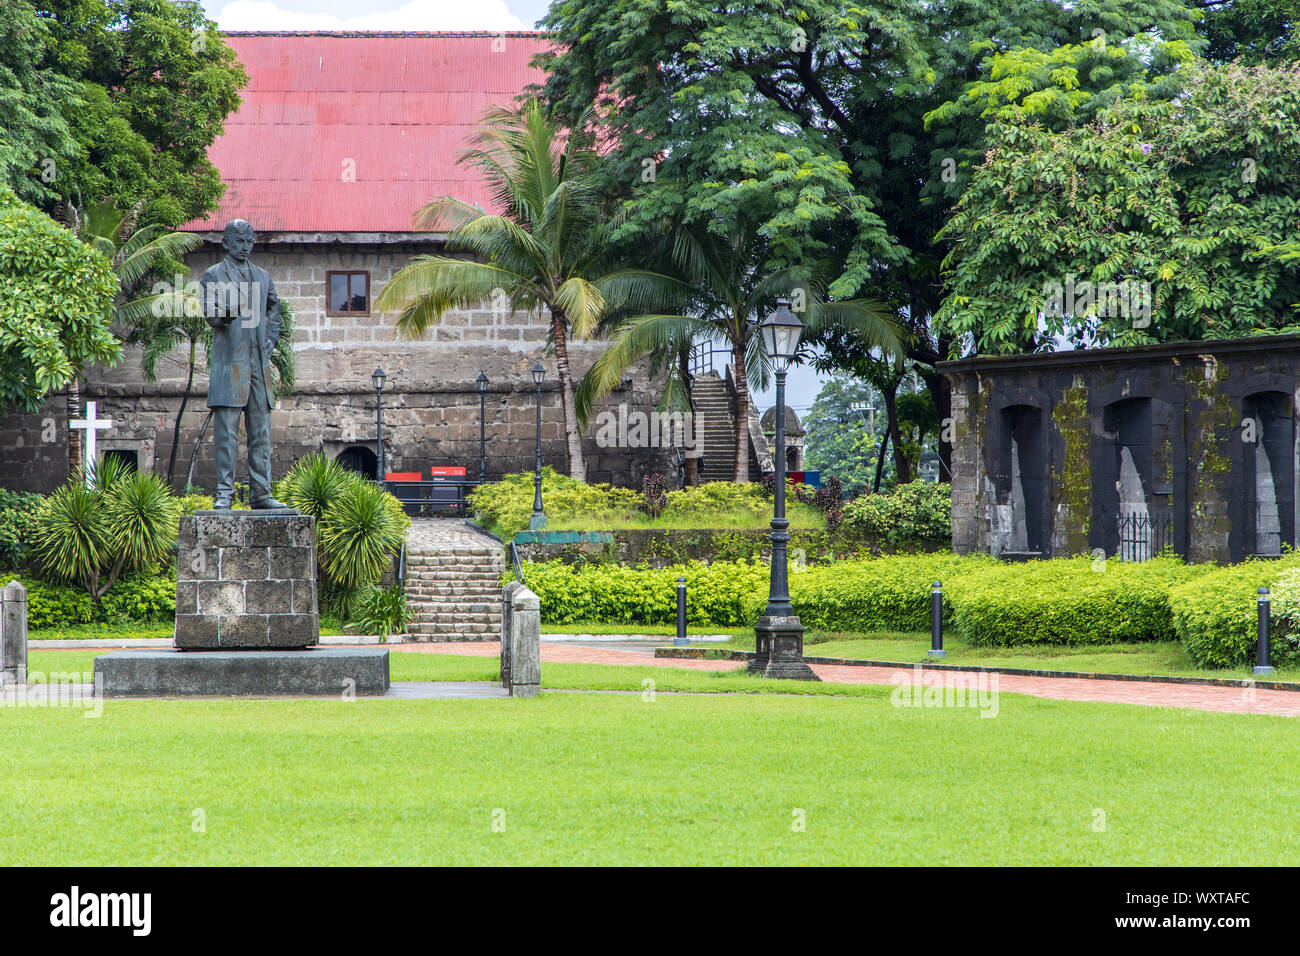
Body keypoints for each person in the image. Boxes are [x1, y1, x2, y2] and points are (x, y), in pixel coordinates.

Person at [200, 219, 288, 510]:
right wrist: (227, 312)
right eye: (239, 241)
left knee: (261, 432)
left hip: (258, 365)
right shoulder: (213, 275)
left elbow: (275, 308)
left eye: (249, 241)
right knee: (226, 434)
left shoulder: (262, 277)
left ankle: (261, 493)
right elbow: (211, 313)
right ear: (225, 243)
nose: (245, 247)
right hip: (230, 366)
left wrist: (271, 339)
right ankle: (224, 493)